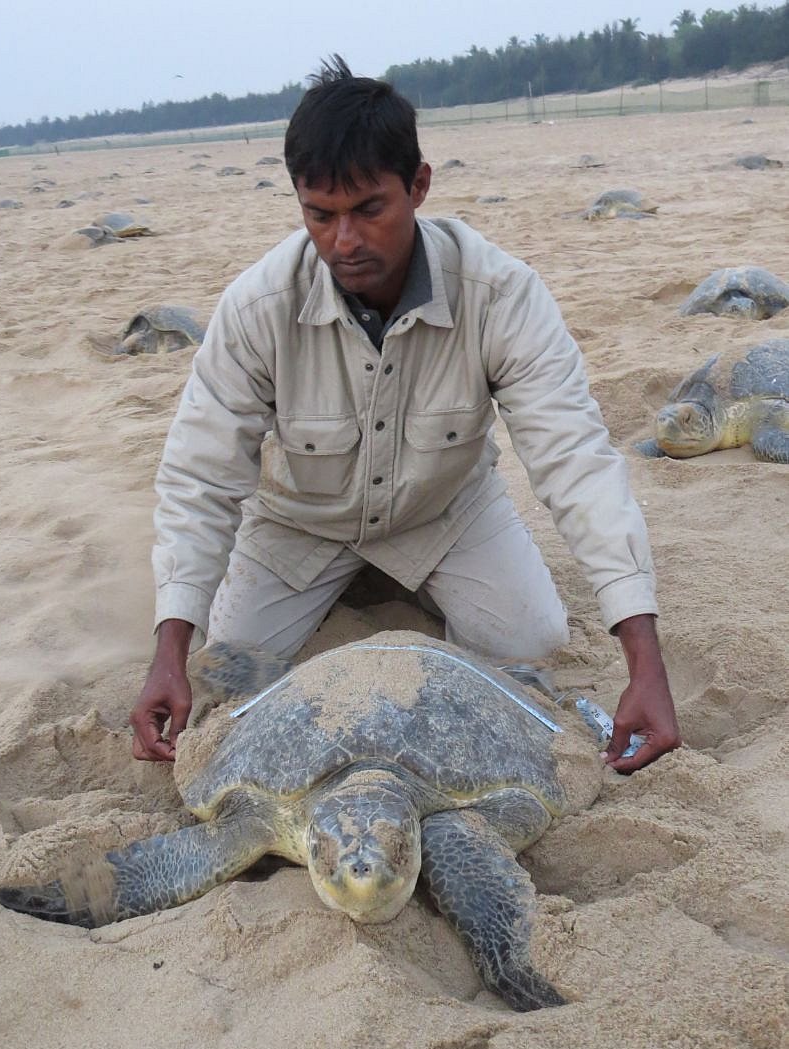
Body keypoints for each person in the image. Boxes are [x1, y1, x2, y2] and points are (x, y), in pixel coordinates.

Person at [130, 56, 681, 774]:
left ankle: (402, 579)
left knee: (535, 642)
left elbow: (576, 460)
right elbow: (200, 477)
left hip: (444, 514)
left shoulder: (501, 294)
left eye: (369, 209)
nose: (344, 241)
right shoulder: (258, 307)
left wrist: (645, 661)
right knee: (227, 667)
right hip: (299, 524)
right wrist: (168, 653)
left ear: (418, 185)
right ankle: (352, 581)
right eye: (320, 215)